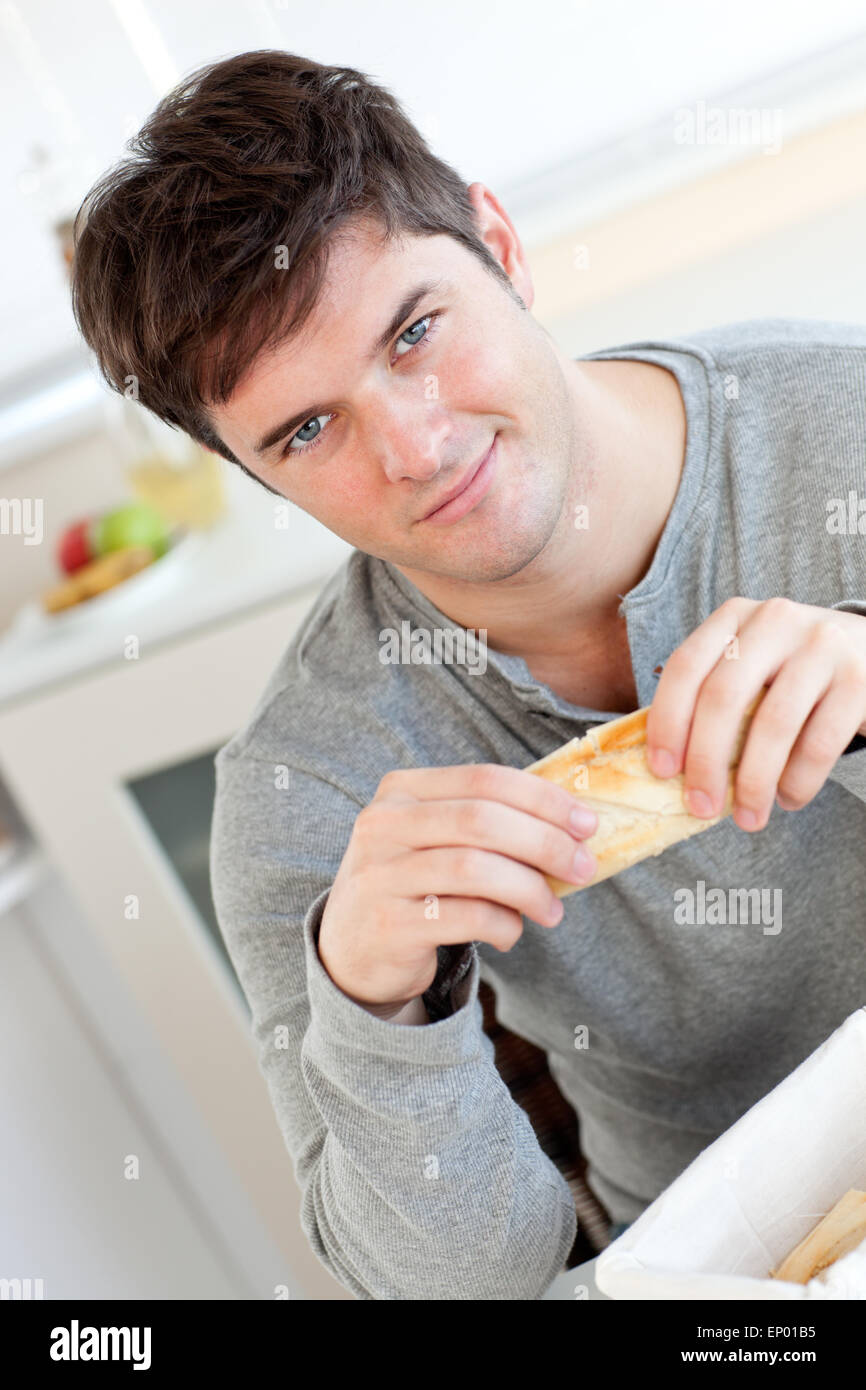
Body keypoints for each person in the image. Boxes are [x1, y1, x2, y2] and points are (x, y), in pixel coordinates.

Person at [70, 49, 866, 1301]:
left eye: (415, 331)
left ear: (497, 241)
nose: (418, 445)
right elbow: (463, 1293)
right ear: (255, 473)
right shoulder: (304, 791)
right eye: (307, 429)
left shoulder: (846, 424)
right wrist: (380, 1009)